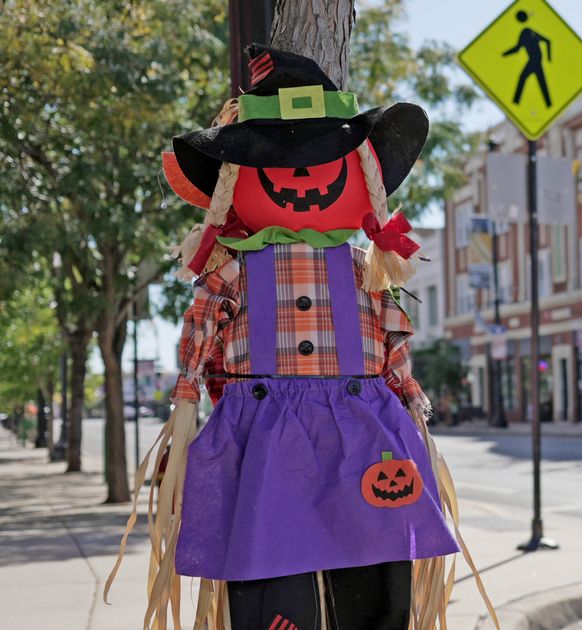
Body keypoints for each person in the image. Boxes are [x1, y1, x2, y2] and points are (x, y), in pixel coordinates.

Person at [105, 45, 495, 630]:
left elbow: (392, 347)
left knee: (374, 557)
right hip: (263, 436)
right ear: (237, 180)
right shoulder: (234, 271)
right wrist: (184, 407)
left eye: (324, 159)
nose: (304, 176)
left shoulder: (367, 270)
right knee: (269, 564)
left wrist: (410, 398)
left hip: (361, 431)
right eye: (280, 162)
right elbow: (200, 336)